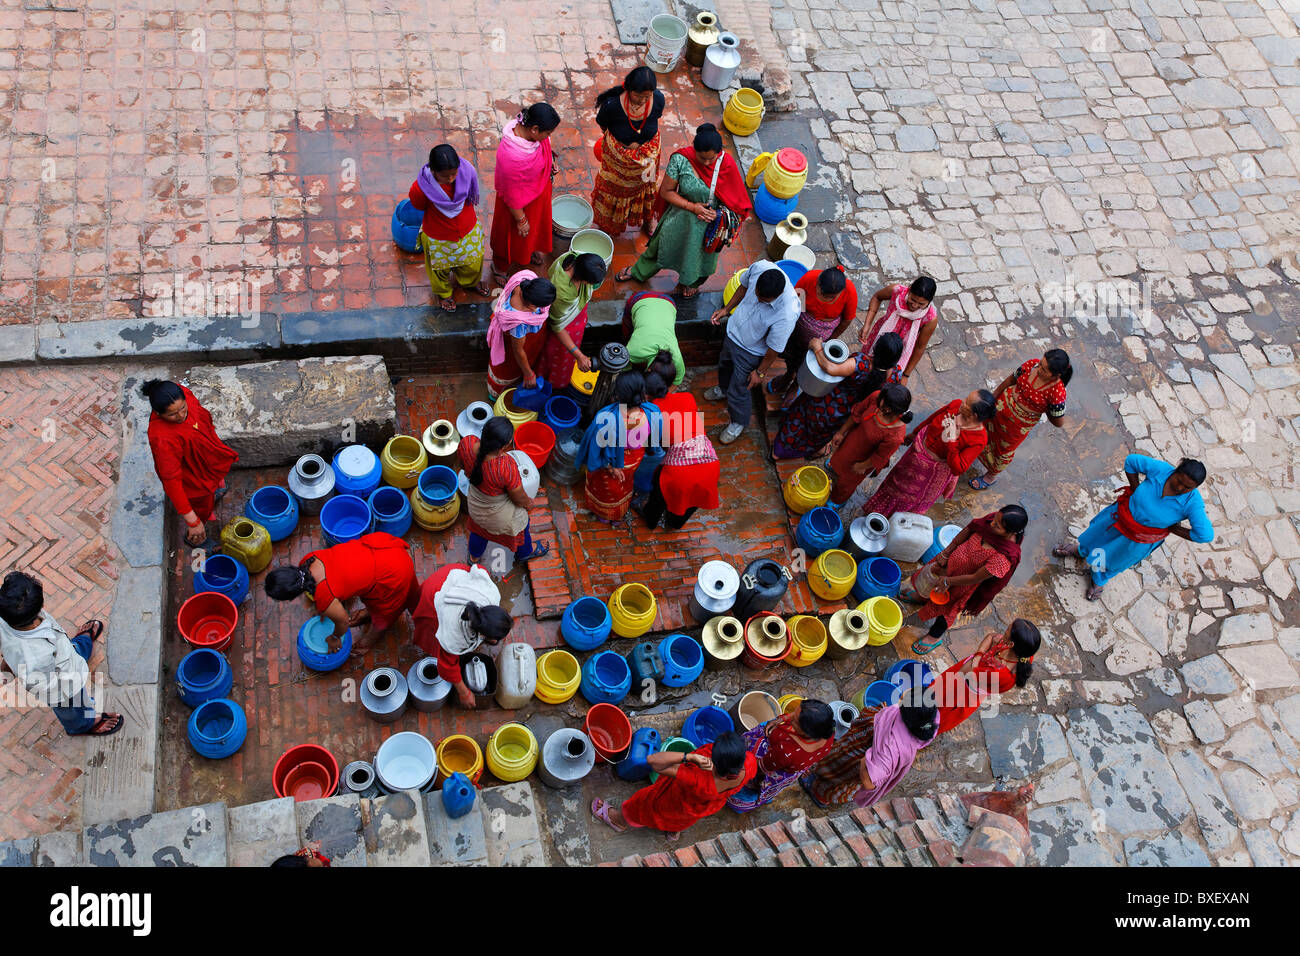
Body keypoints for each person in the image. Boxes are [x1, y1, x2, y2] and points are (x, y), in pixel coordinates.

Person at [615, 123, 752, 297]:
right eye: (703, 158)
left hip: (710, 226)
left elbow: (736, 200)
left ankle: (692, 282)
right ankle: (638, 272)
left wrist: (719, 214)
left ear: (719, 152)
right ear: (694, 149)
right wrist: (693, 207)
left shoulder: (727, 164)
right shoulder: (680, 160)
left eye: (712, 158)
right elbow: (666, 192)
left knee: (700, 260)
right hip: (680, 217)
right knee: (660, 249)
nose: (708, 163)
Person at [1054, 455, 1213, 601]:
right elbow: (1131, 461)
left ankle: (1098, 579)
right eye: (1179, 481)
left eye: (1187, 488)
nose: (1180, 488)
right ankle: (1080, 551)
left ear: (1194, 488)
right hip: (1119, 518)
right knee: (1095, 538)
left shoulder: (1193, 503)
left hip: (1137, 539)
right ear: (1175, 471)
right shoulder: (1160, 470)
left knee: (1112, 558)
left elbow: (1204, 535)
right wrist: (1135, 488)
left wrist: (1173, 529)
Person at [0, 572, 123, 736]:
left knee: (74, 649)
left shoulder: (6, 616)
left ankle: (83, 644)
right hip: (64, 683)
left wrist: (9, 662)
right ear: (40, 606)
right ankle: (82, 725)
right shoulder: (37, 659)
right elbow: (47, 687)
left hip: (65, 652)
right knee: (72, 708)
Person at [264, 532, 421, 655]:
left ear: (291, 596)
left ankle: (369, 641)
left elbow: (343, 622)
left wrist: (334, 638)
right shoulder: (308, 560)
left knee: (384, 614)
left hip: (391, 572)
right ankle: (368, 612)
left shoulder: (324, 596)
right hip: (382, 549)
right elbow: (339, 577)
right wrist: (325, 607)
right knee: (370, 592)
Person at [901, 505, 1028, 655]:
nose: (992, 523)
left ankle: (934, 637)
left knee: (947, 609)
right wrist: (947, 552)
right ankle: (921, 597)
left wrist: (949, 581)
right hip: (949, 564)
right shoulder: (995, 519)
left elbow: (975, 577)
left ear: (1011, 532)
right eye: (994, 519)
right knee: (930, 581)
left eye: (997, 526)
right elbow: (970, 528)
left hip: (962, 583)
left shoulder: (1005, 557)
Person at [591, 732, 756, 841]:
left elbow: (654, 762)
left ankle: (618, 820)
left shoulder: (698, 778)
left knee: (640, 808)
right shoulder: (749, 764)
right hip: (702, 806)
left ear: (715, 762)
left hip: (672, 800)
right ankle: (673, 831)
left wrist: (689, 757)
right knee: (683, 819)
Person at [703, 261, 800, 445]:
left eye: (763, 299)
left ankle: (738, 422)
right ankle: (722, 389)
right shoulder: (761, 268)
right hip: (733, 332)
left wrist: (760, 372)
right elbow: (742, 286)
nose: (757, 298)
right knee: (724, 366)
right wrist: (726, 309)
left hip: (750, 351)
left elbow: (774, 349)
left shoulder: (787, 313)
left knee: (739, 389)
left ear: (775, 296)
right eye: (756, 293)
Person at [861, 388, 996, 518]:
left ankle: (891, 520)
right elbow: (932, 419)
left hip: (929, 472)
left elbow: (958, 468)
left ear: (974, 415)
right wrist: (915, 433)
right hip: (914, 456)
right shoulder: (955, 405)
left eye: (967, 402)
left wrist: (952, 440)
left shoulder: (979, 439)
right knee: (895, 481)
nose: (963, 401)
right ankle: (875, 509)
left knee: (906, 495)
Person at [772, 332, 905, 461]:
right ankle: (813, 450)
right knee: (818, 435)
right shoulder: (896, 375)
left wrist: (817, 347)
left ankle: (778, 451)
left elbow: (830, 368)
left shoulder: (861, 364)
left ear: (876, 349)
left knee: (800, 422)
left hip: (824, 404)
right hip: (843, 416)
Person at [143, 379, 239, 552]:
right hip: (194, 483)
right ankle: (195, 539)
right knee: (200, 512)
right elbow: (171, 480)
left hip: (206, 464)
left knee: (211, 493)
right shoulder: (162, 438)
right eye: (172, 414)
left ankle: (212, 495)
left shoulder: (184, 393)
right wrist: (192, 520)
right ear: (158, 413)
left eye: (182, 408)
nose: (180, 416)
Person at [412, 563, 514, 709]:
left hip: (453, 576)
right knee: (430, 632)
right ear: (482, 633)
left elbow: (479, 569)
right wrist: (464, 692)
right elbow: (446, 667)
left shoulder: (488, 595)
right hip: (435, 594)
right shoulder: (455, 635)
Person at [802, 698, 938, 808]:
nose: (902, 697)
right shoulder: (927, 724)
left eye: (905, 698)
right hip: (856, 757)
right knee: (838, 781)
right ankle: (823, 795)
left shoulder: (888, 746)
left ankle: (819, 795)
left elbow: (869, 783)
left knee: (833, 778)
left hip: (852, 761)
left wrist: (864, 762)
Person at [970, 349, 1072, 489]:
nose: (1038, 368)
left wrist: (1049, 409)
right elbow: (1010, 380)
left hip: (1016, 427)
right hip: (1001, 407)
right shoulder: (1031, 365)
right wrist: (992, 398)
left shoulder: (1057, 393)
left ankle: (990, 477)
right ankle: (971, 450)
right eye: (1040, 363)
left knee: (1003, 450)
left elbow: (1058, 422)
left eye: (1044, 369)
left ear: (1056, 375)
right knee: (984, 429)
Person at [408, 144, 491, 312]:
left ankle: (470, 282)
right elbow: (418, 205)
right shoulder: (420, 188)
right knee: (438, 269)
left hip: (468, 228)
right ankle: (444, 293)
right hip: (437, 235)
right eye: (445, 176)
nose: (451, 179)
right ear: (433, 171)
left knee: (473, 263)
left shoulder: (467, 172)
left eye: (454, 173)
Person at [457, 416, 550, 566]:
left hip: (475, 503)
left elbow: (462, 466)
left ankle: (473, 557)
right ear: (505, 445)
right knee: (522, 523)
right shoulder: (504, 466)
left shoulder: (466, 443)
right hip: (496, 513)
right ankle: (525, 552)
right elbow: (519, 498)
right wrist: (529, 504)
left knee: (478, 527)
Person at [577, 371, 662, 523]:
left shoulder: (606, 420)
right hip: (633, 461)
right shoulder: (652, 413)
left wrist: (611, 468)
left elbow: (595, 451)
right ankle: (616, 517)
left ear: (618, 395)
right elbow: (653, 442)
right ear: (643, 392)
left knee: (605, 490)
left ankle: (602, 516)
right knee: (623, 486)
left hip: (611, 465)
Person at [590, 67, 665, 235]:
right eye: (638, 96)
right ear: (629, 89)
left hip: (646, 160)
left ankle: (647, 219)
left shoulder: (658, 99)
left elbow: (656, 118)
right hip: (619, 162)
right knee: (614, 189)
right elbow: (603, 124)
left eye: (647, 96)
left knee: (647, 186)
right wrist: (623, 148)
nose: (642, 101)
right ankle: (609, 224)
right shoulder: (612, 105)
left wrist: (640, 147)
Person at [490, 103, 561, 281]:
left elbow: (545, 147)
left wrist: (550, 161)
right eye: (548, 133)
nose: (549, 137)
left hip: (537, 198)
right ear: (535, 129)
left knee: (535, 229)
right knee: (510, 238)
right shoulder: (511, 157)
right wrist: (521, 220)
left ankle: (529, 251)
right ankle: (499, 268)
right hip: (517, 208)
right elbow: (511, 195)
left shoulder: (534, 137)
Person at [932, 619, 1040, 735]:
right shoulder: (1023, 653)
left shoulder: (999, 673)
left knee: (940, 707)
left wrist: (976, 660)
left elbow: (964, 673)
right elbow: (991, 637)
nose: (1003, 633)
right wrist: (979, 656)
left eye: (1007, 631)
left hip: (965, 689)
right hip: (972, 677)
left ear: (1011, 644)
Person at [727, 699, 836, 812]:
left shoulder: (787, 751)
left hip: (772, 763)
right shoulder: (827, 731)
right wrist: (781, 719)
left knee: (744, 777)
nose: (790, 719)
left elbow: (760, 767)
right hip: (785, 765)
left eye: (794, 721)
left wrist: (738, 769)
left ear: (806, 732)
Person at [769, 265, 859, 397]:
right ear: (817, 283)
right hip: (798, 329)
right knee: (791, 356)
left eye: (831, 297)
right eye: (822, 293)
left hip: (821, 339)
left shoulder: (849, 291)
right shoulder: (809, 278)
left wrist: (830, 339)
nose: (826, 299)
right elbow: (796, 302)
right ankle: (788, 377)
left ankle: (795, 385)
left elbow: (846, 320)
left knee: (806, 363)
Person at [825, 384, 912, 506]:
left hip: (863, 459)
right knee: (839, 458)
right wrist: (841, 433)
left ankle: (836, 501)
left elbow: (880, 457)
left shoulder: (895, 436)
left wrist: (861, 466)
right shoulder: (876, 397)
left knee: (846, 483)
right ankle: (835, 467)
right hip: (852, 441)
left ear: (889, 409)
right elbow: (857, 413)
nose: (879, 402)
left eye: (883, 402)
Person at [535, 252, 606, 386]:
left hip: (574, 322)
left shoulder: (572, 257)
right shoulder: (562, 295)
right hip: (563, 333)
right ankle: (550, 383)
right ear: (584, 281)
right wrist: (579, 355)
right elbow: (557, 325)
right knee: (557, 358)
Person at [485, 271, 556, 398]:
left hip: (523, 340)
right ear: (532, 306)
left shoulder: (525, 278)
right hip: (512, 348)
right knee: (507, 371)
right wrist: (529, 374)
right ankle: (496, 395)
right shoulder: (518, 323)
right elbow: (518, 351)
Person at [859, 276, 939, 384]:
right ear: (909, 290)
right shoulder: (896, 291)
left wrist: (906, 375)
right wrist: (867, 324)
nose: (914, 305)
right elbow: (877, 297)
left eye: (921, 304)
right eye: (912, 299)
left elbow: (920, 347)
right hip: (879, 339)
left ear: (929, 301)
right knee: (864, 366)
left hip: (897, 352)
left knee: (882, 380)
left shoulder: (930, 318)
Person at [622, 292, 685, 386]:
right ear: (649, 370)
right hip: (640, 299)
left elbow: (677, 381)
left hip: (669, 302)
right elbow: (623, 369)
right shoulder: (632, 351)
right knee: (627, 332)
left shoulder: (677, 360)